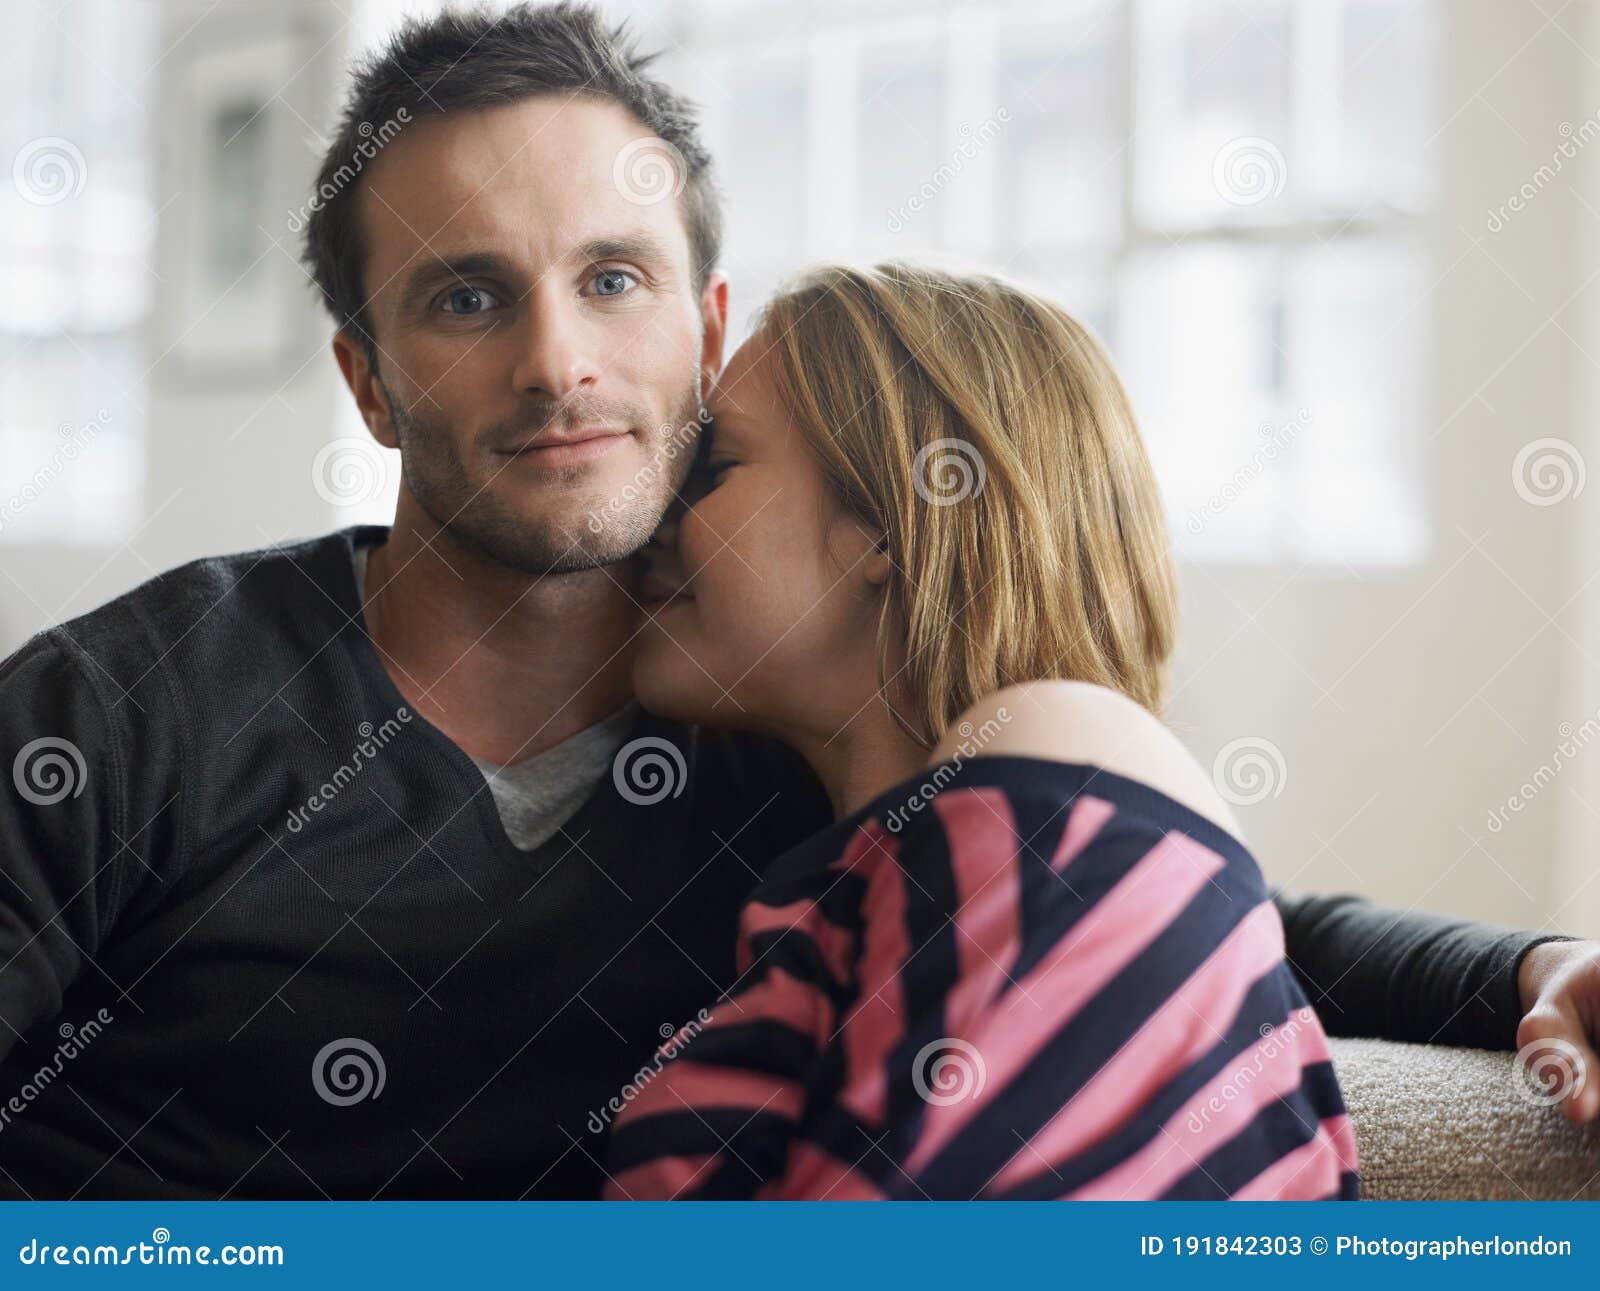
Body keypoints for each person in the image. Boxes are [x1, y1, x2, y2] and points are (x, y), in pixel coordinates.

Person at [0, 3, 1594, 1201]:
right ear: (368, 378)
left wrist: (1529, 965)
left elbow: (1170, 896)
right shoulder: (119, 714)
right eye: (467, 297)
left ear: (704, 327)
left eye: (611, 278)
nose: (560, 362)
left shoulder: (780, 737)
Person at [604, 263, 1360, 1198]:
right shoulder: (841, 873)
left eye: (713, 467)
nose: (652, 518)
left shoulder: (1065, 746)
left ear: (885, 517)